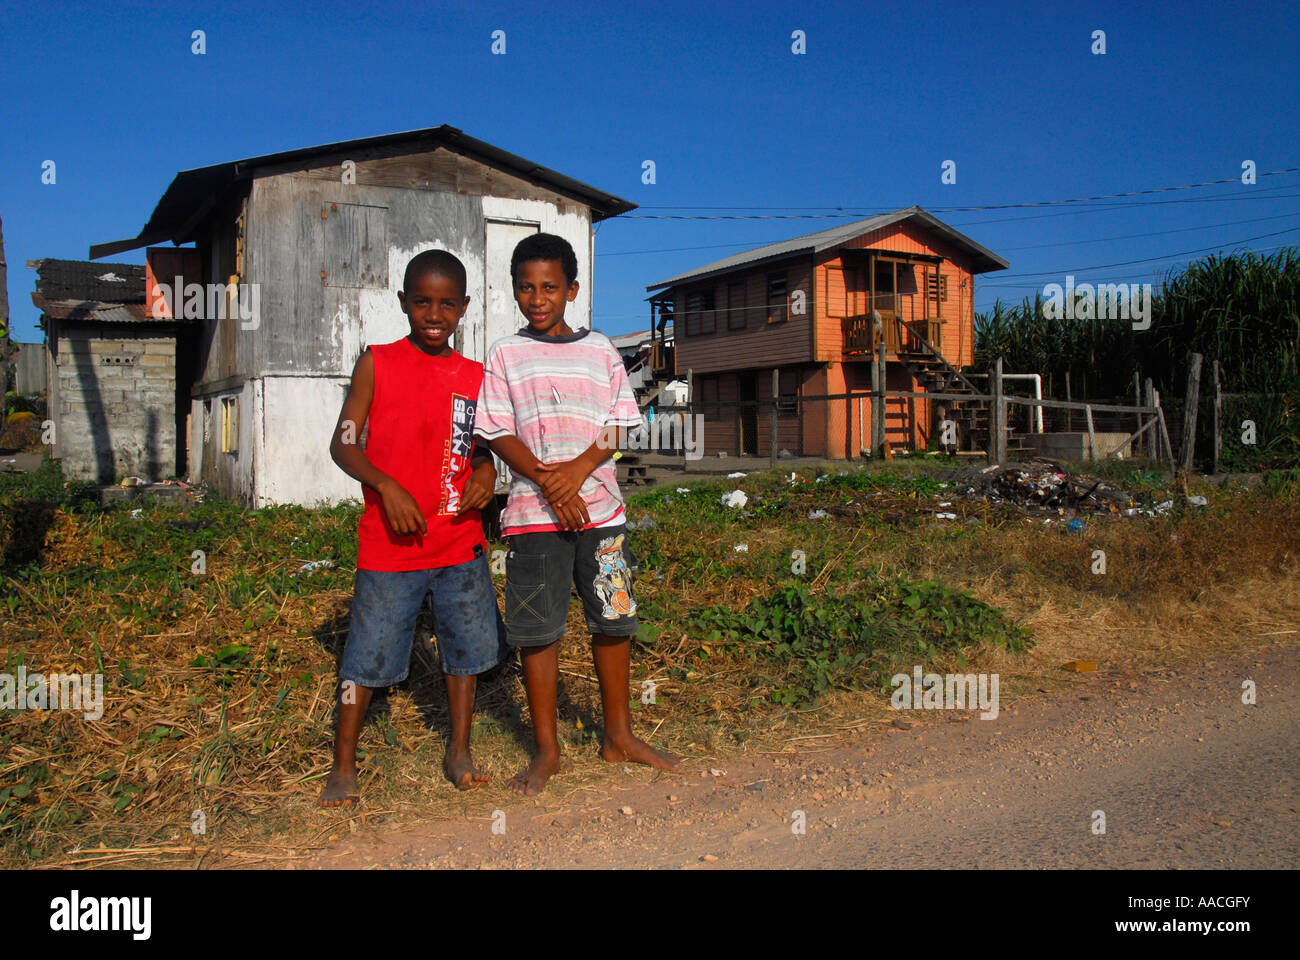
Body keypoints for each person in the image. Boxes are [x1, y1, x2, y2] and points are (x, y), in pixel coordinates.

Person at [475, 232, 679, 796]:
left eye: (549, 287)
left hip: (603, 515)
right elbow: (495, 428)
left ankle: (619, 737)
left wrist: (578, 470)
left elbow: (620, 422)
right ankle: (546, 750)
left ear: (572, 289)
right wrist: (546, 478)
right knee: (538, 630)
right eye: (525, 288)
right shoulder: (505, 354)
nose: (537, 299)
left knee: (613, 621)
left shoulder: (601, 350)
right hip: (533, 517)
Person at [319, 249, 505, 806]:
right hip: (389, 545)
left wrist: (488, 470)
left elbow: (484, 447)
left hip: (458, 541)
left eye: (447, 304)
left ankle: (458, 749)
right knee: (366, 654)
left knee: (467, 652)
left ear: (464, 309)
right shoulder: (376, 361)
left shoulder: (475, 376)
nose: (433, 313)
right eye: (421, 301)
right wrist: (385, 484)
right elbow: (342, 442)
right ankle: (344, 762)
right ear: (403, 302)